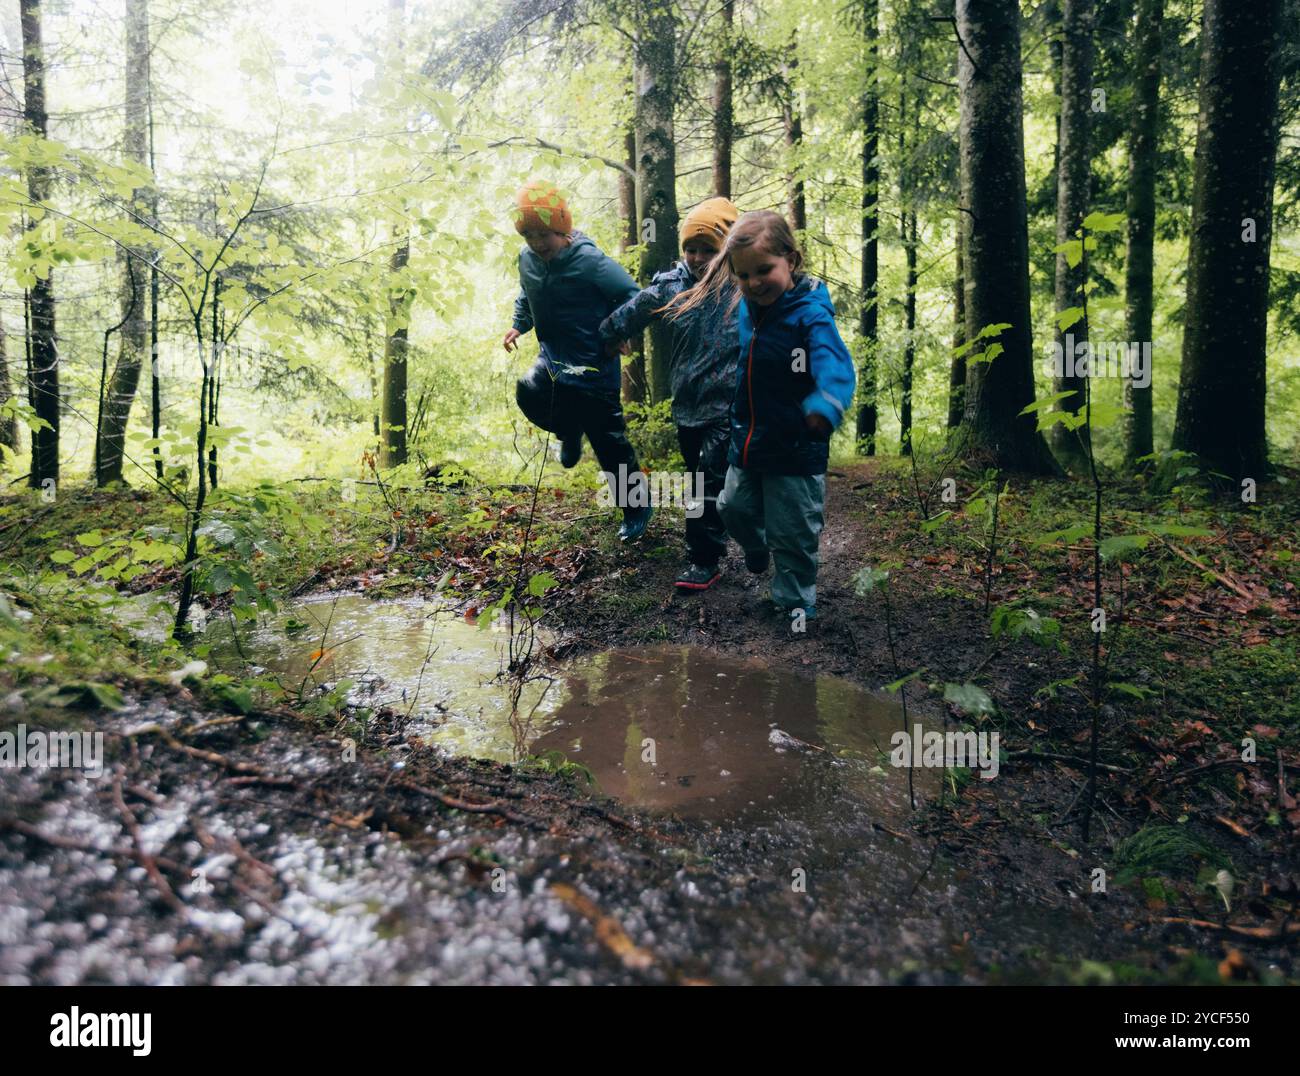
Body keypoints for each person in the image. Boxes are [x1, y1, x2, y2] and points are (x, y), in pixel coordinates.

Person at [667, 210, 855, 623]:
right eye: (743, 275)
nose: (753, 283)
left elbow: (833, 360)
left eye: (763, 271)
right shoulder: (748, 308)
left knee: (794, 530)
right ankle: (757, 546)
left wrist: (826, 402)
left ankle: (794, 603)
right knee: (732, 507)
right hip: (748, 439)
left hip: (796, 446)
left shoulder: (810, 313)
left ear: (791, 258)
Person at [599, 196, 740, 591]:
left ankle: (703, 559)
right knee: (701, 479)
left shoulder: (742, 285)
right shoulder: (671, 286)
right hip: (686, 407)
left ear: (726, 249)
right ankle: (727, 535)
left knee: (707, 482)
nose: (697, 257)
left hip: (728, 408)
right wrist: (615, 335)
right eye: (690, 249)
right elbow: (628, 313)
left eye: (707, 250)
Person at [504, 180, 654, 541]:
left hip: (594, 365)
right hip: (553, 359)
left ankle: (636, 508)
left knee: (609, 443)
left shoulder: (590, 261)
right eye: (530, 237)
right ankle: (568, 430)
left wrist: (619, 332)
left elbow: (634, 296)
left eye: (545, 236)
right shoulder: (528, 259)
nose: (538, 244)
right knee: (529, 391)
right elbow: (527, 291)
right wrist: (518, 325)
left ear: (562, 229)